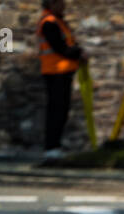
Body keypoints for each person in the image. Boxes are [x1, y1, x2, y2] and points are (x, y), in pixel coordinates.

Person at [37, 0, 85, 158]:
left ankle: (55, 145)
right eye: (60, 2)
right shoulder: (49, 23)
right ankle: (51, 147)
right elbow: (60, 47)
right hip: (55, 72)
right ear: (52, 4)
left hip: (62, 71)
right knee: (56, 110)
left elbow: (69, 43)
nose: (64, 5)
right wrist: (79, 54)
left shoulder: (58, 21)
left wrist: (77, 51)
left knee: (61, 110)